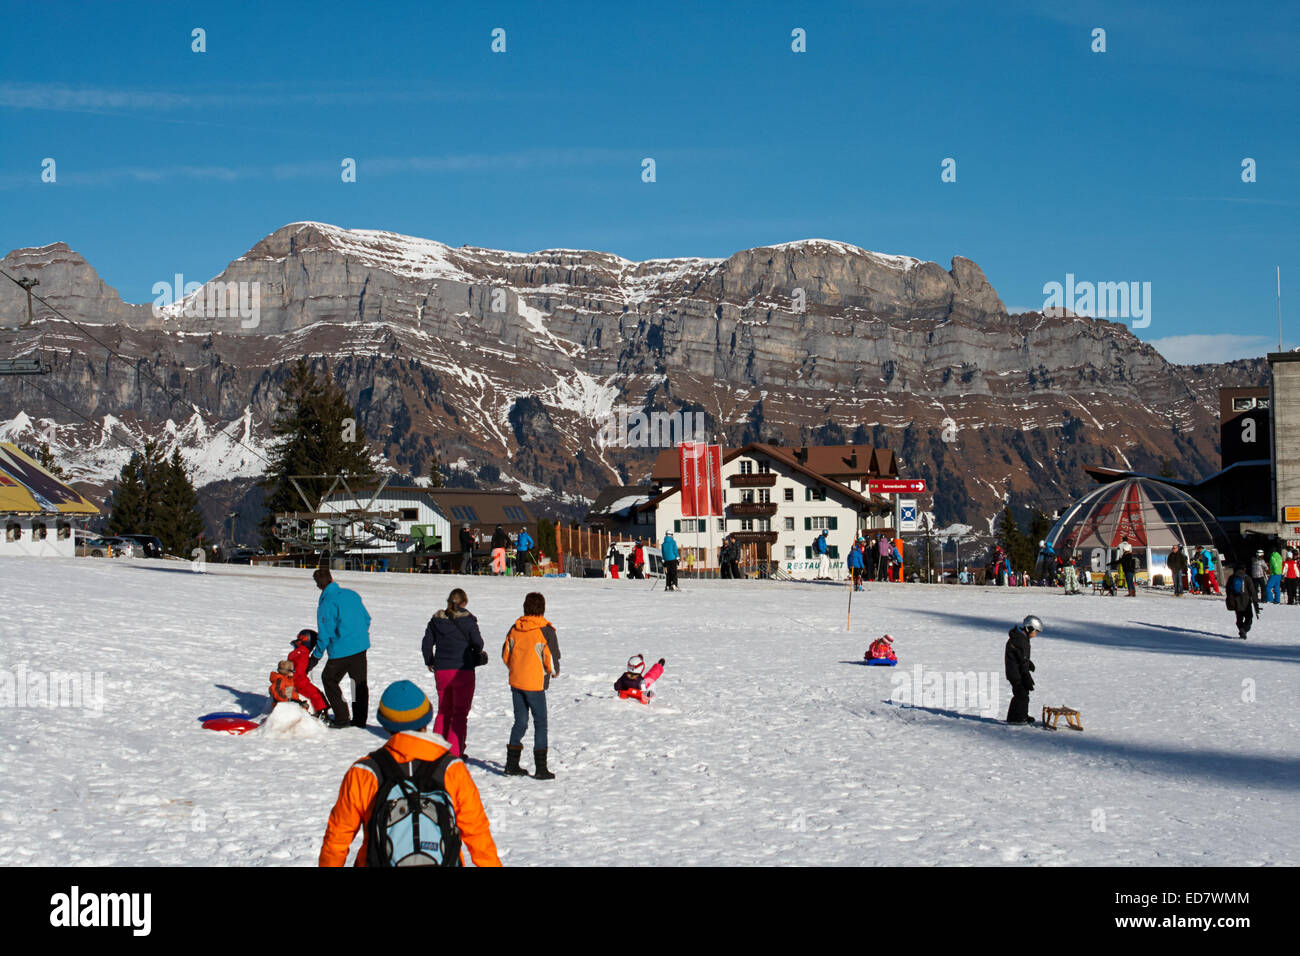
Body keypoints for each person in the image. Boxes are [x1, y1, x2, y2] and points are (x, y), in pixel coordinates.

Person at [318, 680, 501, 867]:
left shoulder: (364, 772)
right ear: (426, 719)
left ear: (385, 724)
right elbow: (477, 833)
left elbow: (337, 837)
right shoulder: (451, 768)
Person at [421, 588, 487, 758]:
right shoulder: (469, 620)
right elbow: (478, 643)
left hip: (442, 669)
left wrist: (430, 660)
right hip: (463, 670)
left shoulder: (436, 620)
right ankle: (454, 753)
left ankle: (436, 750)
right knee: (459, 714)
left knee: (443, 710)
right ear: (464, 603)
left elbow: (427, 644)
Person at [502, 592, 560, 780]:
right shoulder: (545, 630)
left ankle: (511, 764)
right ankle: (541, 768)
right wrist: (553, 671)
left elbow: (506, 654)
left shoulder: (515, 627)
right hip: (535, 683)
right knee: (540, 723)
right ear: (542, 608)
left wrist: (515, 668)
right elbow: (551, 657)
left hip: (516, 681)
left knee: (520, 721)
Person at [311, 567, 372, 729]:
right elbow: (367, 618)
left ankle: (342, 717)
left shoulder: (326, 603)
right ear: (331, 578)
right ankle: (359, 720)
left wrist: (315, 657)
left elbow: (325, 633)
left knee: (329, 679)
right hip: (360, 646)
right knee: (358, 683)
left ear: (318, 585)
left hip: (341, 649)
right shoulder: (351, 594)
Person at [1004, 614, 1041, 724]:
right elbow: (1022, 661)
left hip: (1016, 671)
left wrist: (1028, 663)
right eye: (1036, 631)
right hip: (1016, 673)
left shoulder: (1021, 637)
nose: (1036, 634)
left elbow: (1021, 656)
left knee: (1021, 694)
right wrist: (1027, 678)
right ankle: (1017, 718)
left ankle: (1019, 716)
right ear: (1029, 628)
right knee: (1022, 695)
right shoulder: (1020, 640)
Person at [288, 628, 329, 716]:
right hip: (300, 682)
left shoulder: (296, 652)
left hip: (293, 681)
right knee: (316, 694)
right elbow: (299, 672)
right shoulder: (303, 654)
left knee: (316, 693)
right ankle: (322, 714)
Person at [1225, 564, 1261, 640]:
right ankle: (1244, 630)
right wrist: (1255, 603)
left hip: (1236, 602)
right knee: (1249, 618)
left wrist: (1230, 600)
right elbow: (1252, 591)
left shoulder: (1232, 578)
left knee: (1239, 619)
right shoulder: (1247, 578)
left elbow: (1228, 590)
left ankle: (1242, 630)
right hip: (1246, 602)